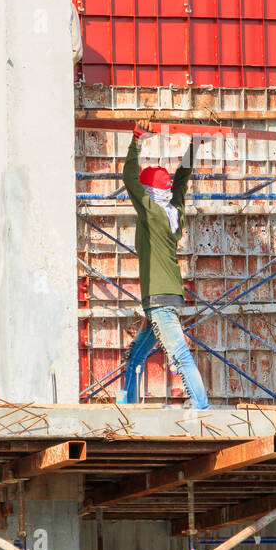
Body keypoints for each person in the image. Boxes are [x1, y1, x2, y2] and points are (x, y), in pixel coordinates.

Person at [117, 120, 211, 409]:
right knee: (135, 356)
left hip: (159, 299)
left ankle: (201, 407)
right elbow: (181, 181)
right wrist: (193, 148)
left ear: (149, 192)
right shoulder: (174, 211)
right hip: (164, 297)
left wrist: (137, 140)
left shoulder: (152, 213)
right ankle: (130, 406)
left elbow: (129, 178)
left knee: (179, 354)